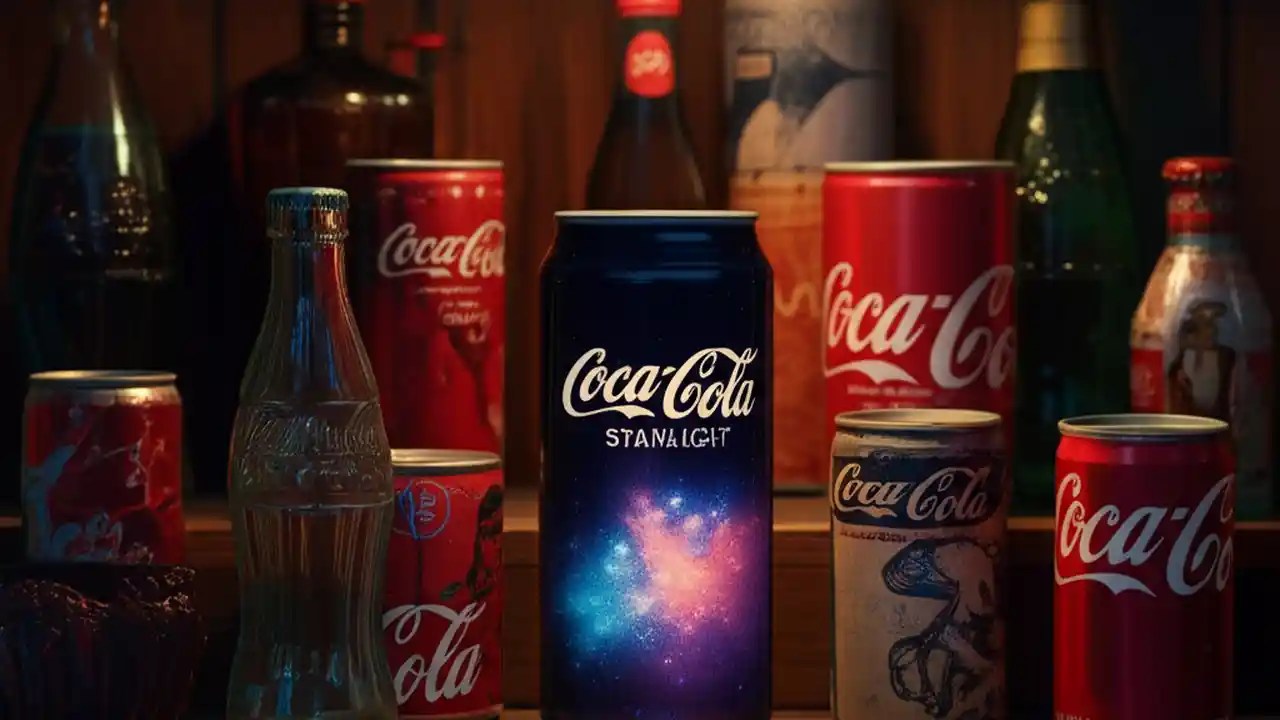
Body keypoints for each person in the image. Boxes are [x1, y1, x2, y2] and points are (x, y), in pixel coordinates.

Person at [1167, 300, 1235, 420]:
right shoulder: (1181, 365)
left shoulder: (1226, 357)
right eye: (1204, 323)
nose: (1211, 330)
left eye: (1212, 323)